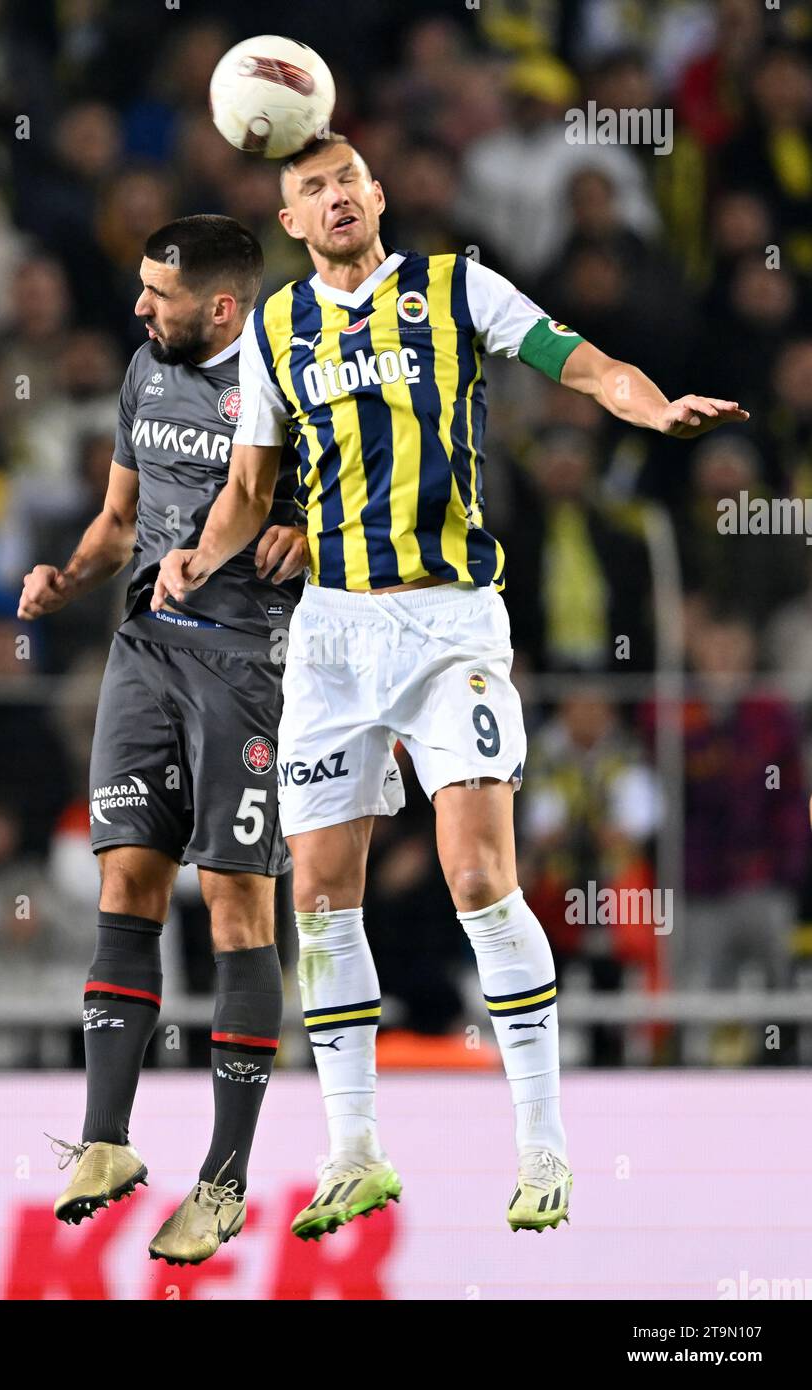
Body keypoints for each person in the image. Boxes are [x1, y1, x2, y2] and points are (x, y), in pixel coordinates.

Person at [155, 135, 748, 1238]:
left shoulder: (452, 286)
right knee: (321, 898)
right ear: (289, 223)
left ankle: (543, 1147)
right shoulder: (276, 331)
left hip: (448, 622)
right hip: (332, 635)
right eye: (310, 190)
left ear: (379, 196)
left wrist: (649, 404)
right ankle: (354, 1151)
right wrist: (199, 549)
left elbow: (577, 359)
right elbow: (250, 485)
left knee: (479, 874)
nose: (334, 198)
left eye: (347, 181)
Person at [17, 215, 308, 1265]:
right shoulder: (146, 370)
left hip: (251, 666)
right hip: (143, 650)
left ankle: (224, 1181)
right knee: (125, 879)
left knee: (238, 902)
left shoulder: (300, 378)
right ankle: (106, 1140)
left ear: (222, 308)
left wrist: (311, 535)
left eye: (160, 295)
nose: (139, 308)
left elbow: (373, 517)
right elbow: (118, 519)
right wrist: (65, 575)